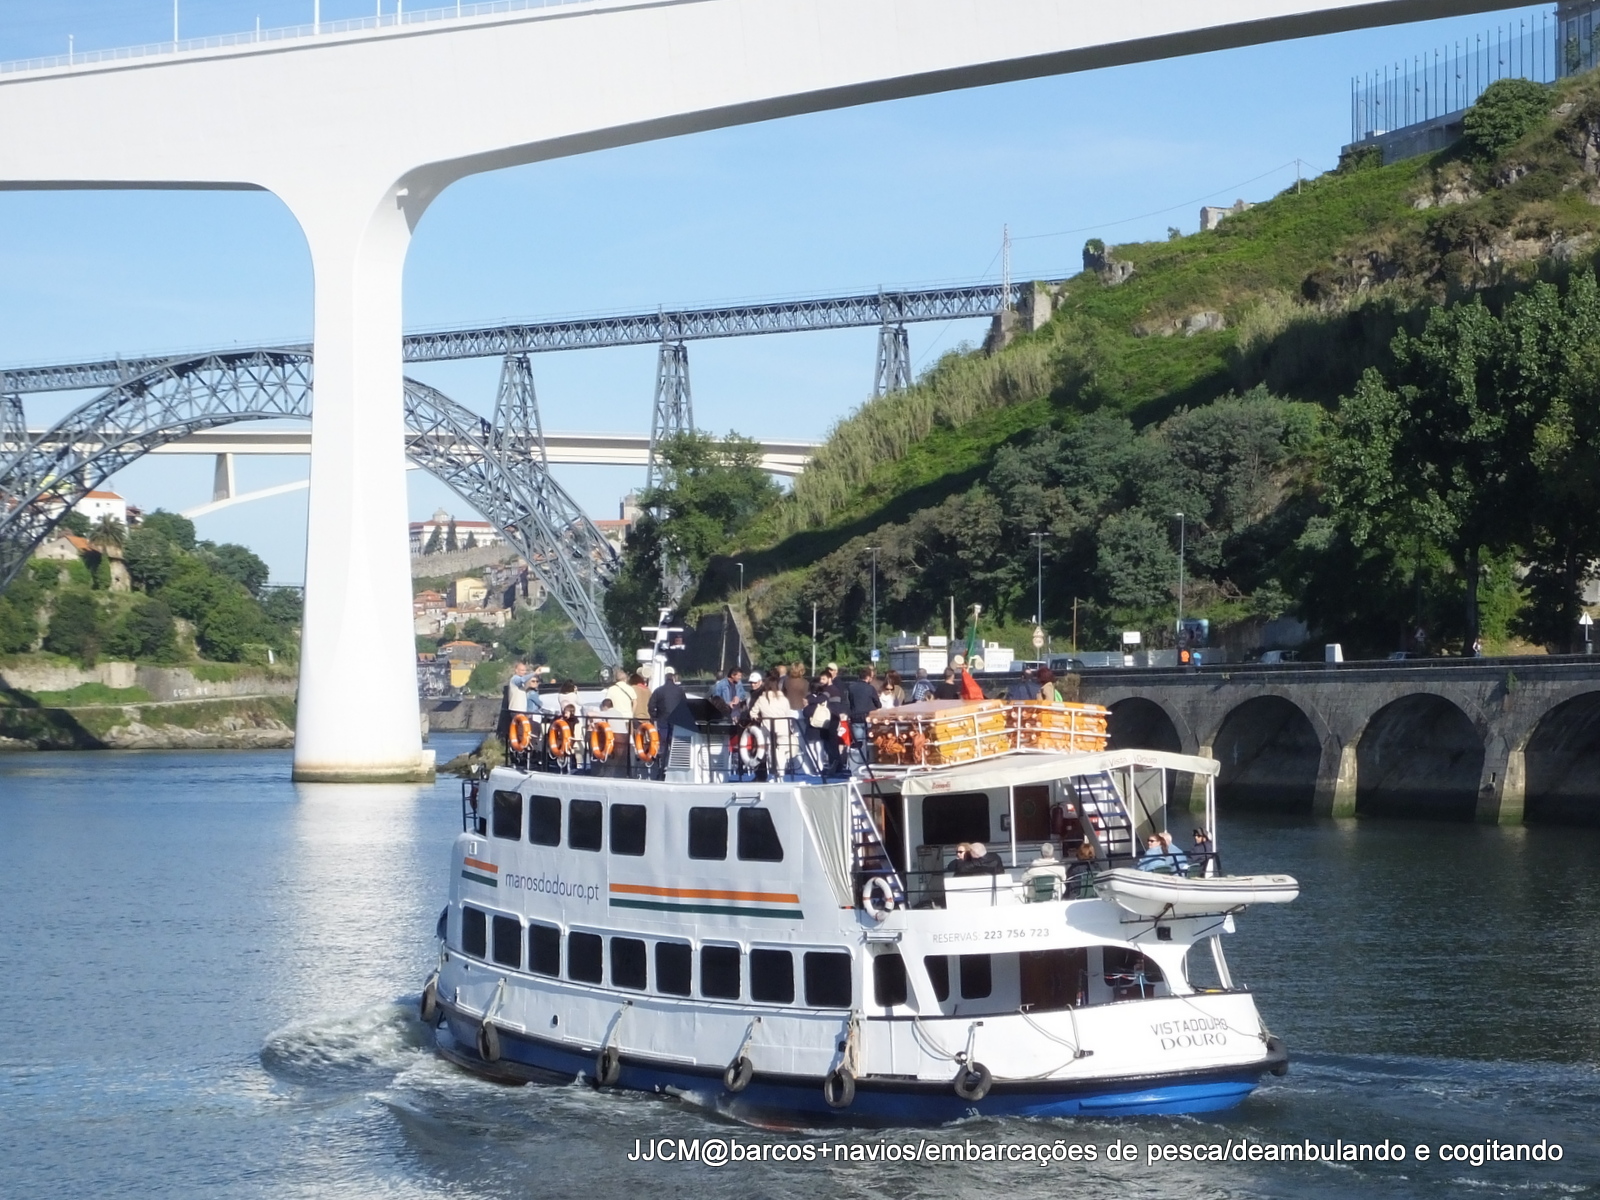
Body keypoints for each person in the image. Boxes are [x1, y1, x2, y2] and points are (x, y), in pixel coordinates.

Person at [749, 674, 797, 776]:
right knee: (782, 750)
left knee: (770, 751)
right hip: (783, 728)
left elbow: (753, 713)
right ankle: (781, 772)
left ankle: (773, 772)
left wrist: (758, 719)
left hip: (767, 728)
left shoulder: (762, 699)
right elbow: (788, 714)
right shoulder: (784, 699)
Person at [647, 669, 690, 779]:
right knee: (676, 746)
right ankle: (675, 770)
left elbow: (651, 706)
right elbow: (685, 705)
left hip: (663, 721)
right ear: (674, 679)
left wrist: (654, 716)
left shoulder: (658, 691)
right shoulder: (680, 691)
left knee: (663, 745)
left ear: (665, 679)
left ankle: (661, 769)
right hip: (677, 722)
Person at [843, 665, 881, 755]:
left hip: (855, 717)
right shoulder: (870, 688)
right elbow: (878, 703)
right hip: (868, 717)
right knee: (870, 742)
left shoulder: (851, 687)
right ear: (867, 677)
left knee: (859, 743)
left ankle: (860, 761)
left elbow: (847, 702)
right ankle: (870, 759)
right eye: (871, 677)